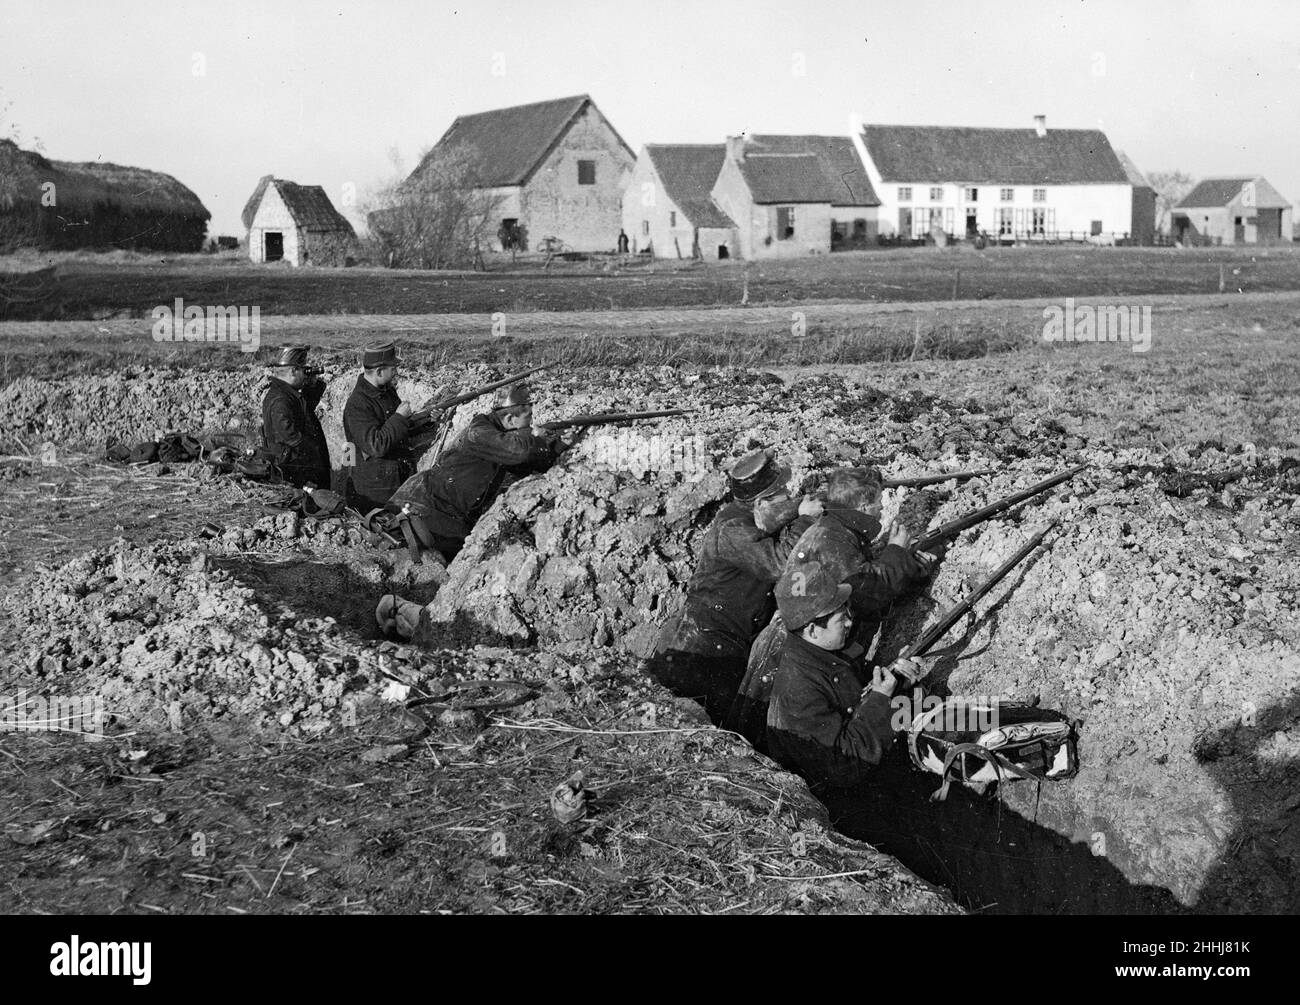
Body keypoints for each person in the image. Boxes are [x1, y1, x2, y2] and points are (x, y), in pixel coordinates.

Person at [726, 466, 939, 750]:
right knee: (776, 742)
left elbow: (860, 575)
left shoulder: (834, 529)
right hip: (793, 650)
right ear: (863, 505)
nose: (880, 510)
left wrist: (909, 567)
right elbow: (867, 591)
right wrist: (897, 552)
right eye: (878, 503)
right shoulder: (834, 538)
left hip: (798, 639)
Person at [644, 449, 823, 723]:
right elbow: (779, 563)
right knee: (688, 726)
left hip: (722, 639)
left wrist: (794, 510)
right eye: (783, 493)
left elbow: (772, 521)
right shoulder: (732, 528)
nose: (789, 496)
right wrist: (805, 518)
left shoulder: (752, 516)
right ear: (762, 501)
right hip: (702, 643)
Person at [764, 561, 925, 791]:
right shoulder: (798, 691)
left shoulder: (819, 651)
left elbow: (856, 699)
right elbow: (845, 766)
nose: (850, 622)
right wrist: (881, 700)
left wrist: (898, 683)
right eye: (842, 618)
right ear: (812, 630)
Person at [387, 383, 565, 563]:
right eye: (529, 417)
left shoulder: (498, 436)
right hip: (423, 506)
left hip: (445, 514)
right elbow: (520, 452)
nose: (532, 422)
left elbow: (526, 464)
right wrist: (536, 437)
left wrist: (559, 446)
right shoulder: (479, 432)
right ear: (511, 419)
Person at [342, 341, 441, 512]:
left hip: (396, 477)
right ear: (379, 371)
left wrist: (427, 421)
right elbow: (376, 445)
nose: (396, 372)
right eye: (393, 368)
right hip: (376, 490)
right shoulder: (357, 404)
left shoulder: (386, 390)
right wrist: (399, 417)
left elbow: (397, 429)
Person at [261, 345, 330, 489]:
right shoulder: (281, 400)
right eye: (303, 370)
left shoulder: (286, 394)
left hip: (298, 472)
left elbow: (305, 409)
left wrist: (313, 384)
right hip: (296, 475)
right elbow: (292, 439)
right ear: (293, 371)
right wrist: (314, 456)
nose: (305, 374)